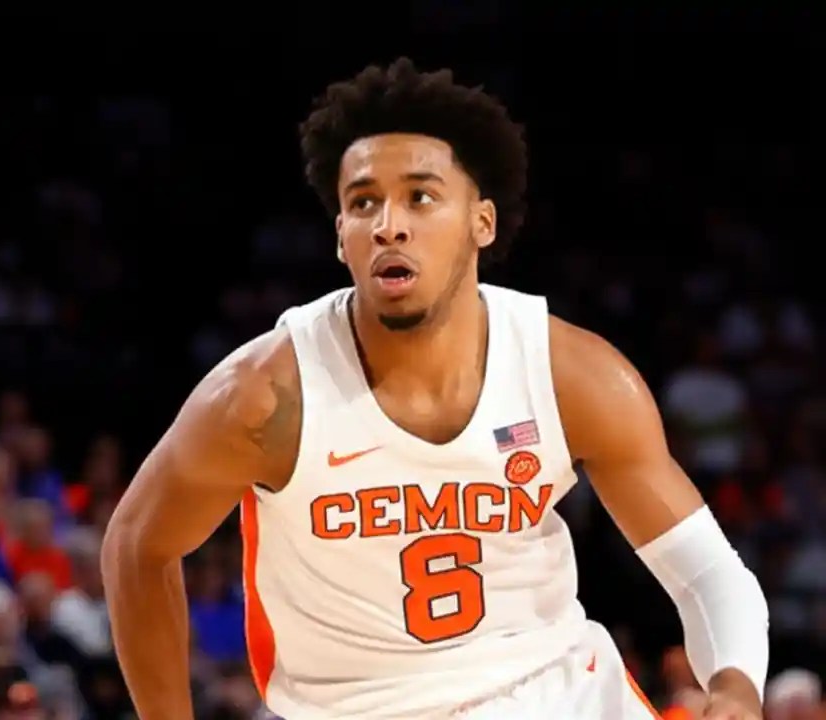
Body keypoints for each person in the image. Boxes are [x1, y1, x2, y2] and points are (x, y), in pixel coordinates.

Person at [101, 57, 769, 720]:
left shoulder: (573, 376)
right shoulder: (267, 396)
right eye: (363, 203)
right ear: (342, 237)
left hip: (560, 697)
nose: (389, 223)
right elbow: (137, 546)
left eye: (420, 196)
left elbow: (706, 572)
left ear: (482, 222)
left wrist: (735, 690)